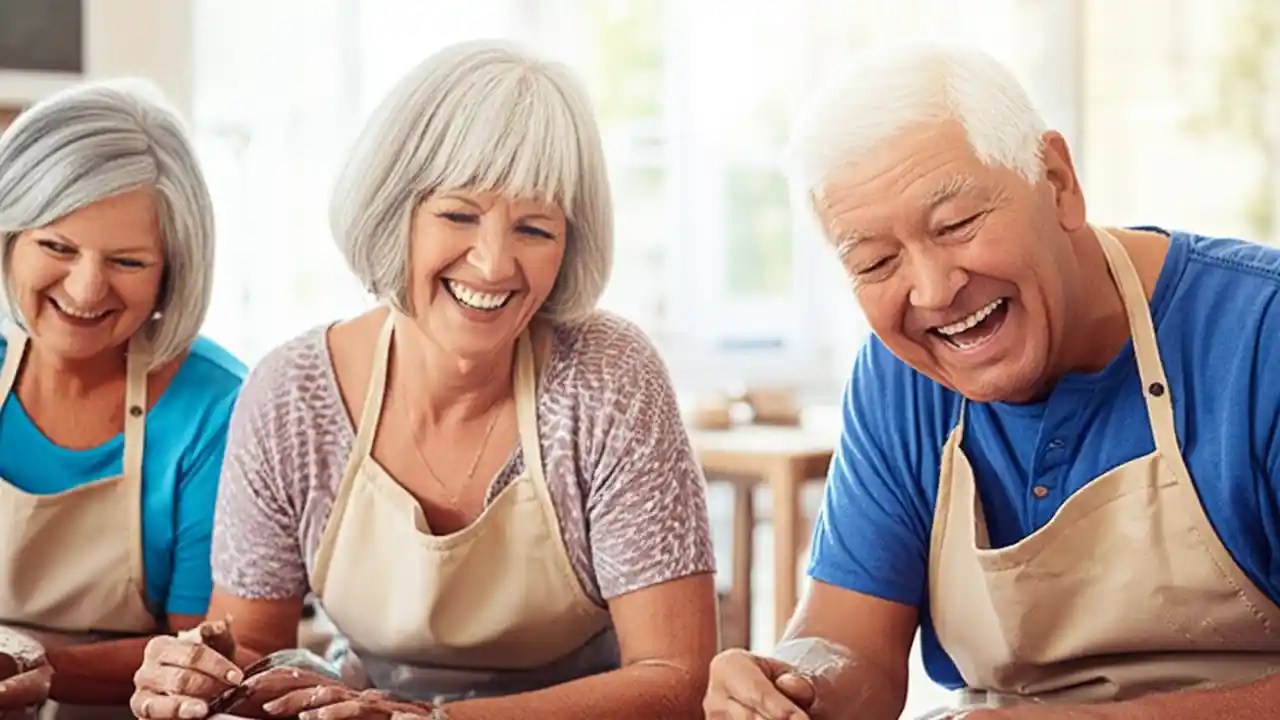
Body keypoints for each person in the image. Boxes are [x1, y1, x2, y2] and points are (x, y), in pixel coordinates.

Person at [130, 39, 718, 720]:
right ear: (393, 212)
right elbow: (255, 647)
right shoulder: (292, 395)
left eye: (534, 227)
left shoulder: (607, 379)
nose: (495, 264)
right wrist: (195, 675)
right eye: (458, 214)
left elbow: (678, 678)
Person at [702, 43, 1280, 720]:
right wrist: (794, 683)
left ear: (1057, 182)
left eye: (957, 225)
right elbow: (849, 645)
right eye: (876, 261)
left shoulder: (1260, 336)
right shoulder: (899, 381)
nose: (933, 290)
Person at [0, 80, 247, 719]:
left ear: (172, 268)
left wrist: (36, 669)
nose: (85, 289)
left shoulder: (215, 409)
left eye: (128, 262)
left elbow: (202, 658)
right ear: (8, 237)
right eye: (56, 246)